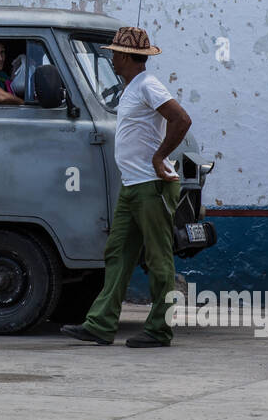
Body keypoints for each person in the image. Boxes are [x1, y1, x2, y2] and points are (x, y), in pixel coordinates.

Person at [61, 26, 192, 348]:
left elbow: (181, 120)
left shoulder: (148, 85)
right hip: (133, 187)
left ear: (126, 57)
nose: (112, 58)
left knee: (159, 260)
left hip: (152, 187)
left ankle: (160, 330)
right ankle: (101, 325)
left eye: (116, 54)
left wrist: (161, 156)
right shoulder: (131, 87)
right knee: (118, 253)